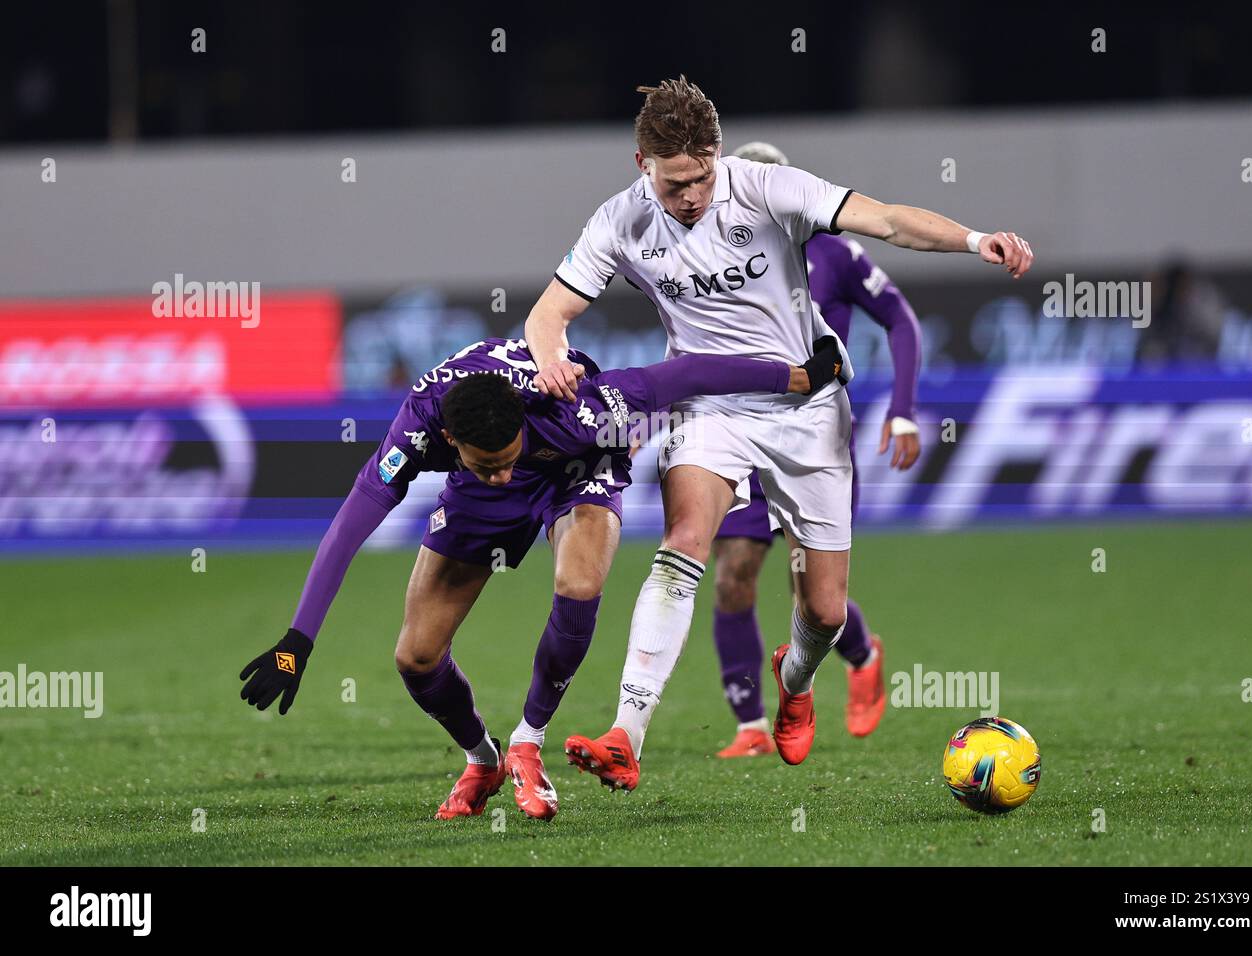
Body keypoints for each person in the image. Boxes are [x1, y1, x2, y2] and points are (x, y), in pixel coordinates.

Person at [523, 76, 1033, 791]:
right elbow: (550, 315)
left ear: (718, 154)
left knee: (823, 610)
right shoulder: (619, 221)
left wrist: (976, 239)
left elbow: (885, 220)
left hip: (810, 404)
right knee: (686, 541)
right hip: (710, 405)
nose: (691, 196)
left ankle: (794, 681)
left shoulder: (767, 188)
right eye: (675, 184)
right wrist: (548, 357)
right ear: (643, 163)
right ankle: (626, 733)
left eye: (701, 177)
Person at [237, 336, 842, 819]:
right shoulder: (418, 428)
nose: (498, 473)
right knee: (416, 657)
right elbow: (348, 526)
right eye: (483, 463)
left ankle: (529, 740)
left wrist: (800, 377)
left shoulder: (575, 406)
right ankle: (484, 759)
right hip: (483, 495)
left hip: (572, 466)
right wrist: (298, 640)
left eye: (503, 459)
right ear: (451, 442)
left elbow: (687, 376)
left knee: (578, 583)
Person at [709, 141, 923, 758]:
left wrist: (903, 413)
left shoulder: (836, 251)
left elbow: (901, 320)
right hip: (743, 433)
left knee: (809, 590)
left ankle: (862, 651)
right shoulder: (721, 256)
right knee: (733, 575)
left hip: (816, 435)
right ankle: (750, 724)